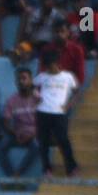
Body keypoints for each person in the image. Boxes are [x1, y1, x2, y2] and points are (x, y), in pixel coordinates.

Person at [34, 48, 79, 177]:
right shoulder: (42, 77)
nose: (49, 67)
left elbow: (76, 92)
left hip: (59, 113)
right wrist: (37, 97)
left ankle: (71, 167)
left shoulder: (67, 77)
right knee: (44, 141)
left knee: (63, 140)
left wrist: (69, 105)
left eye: (50, 64)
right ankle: (46, 168)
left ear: (57, 62)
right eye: (46, 65)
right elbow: (32, 87)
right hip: (43, 112)